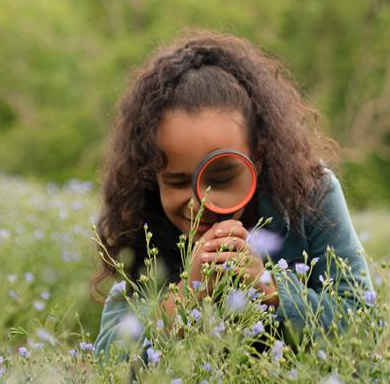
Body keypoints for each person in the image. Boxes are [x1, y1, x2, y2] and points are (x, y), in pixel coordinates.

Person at [91, 30, 371, 354]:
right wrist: (185, 297)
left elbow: (365, 322)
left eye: (221, 176)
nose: (201, 202)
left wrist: (270, 288)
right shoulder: (143, 222)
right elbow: (110, 358)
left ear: (260, 156)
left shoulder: (310, 192)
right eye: (179, 182)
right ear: (152, 179)